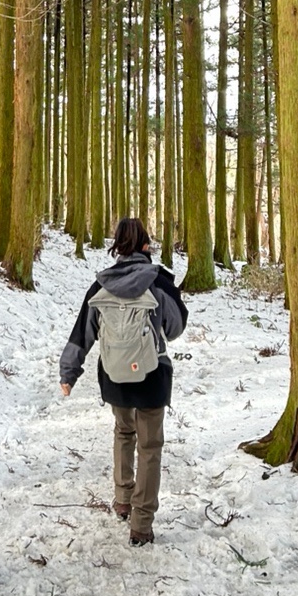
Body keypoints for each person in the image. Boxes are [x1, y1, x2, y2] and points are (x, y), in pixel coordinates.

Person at [59, 217, 188, 546]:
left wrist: (69, 373)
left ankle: (122, 500)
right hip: (151, 376)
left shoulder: (102, 284)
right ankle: (141, 525)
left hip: (114, 377)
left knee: (123, 431)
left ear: (118, 246)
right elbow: (175, 328)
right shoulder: (158, 281)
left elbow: (81, 333)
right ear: (145, 245)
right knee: (150, 448)